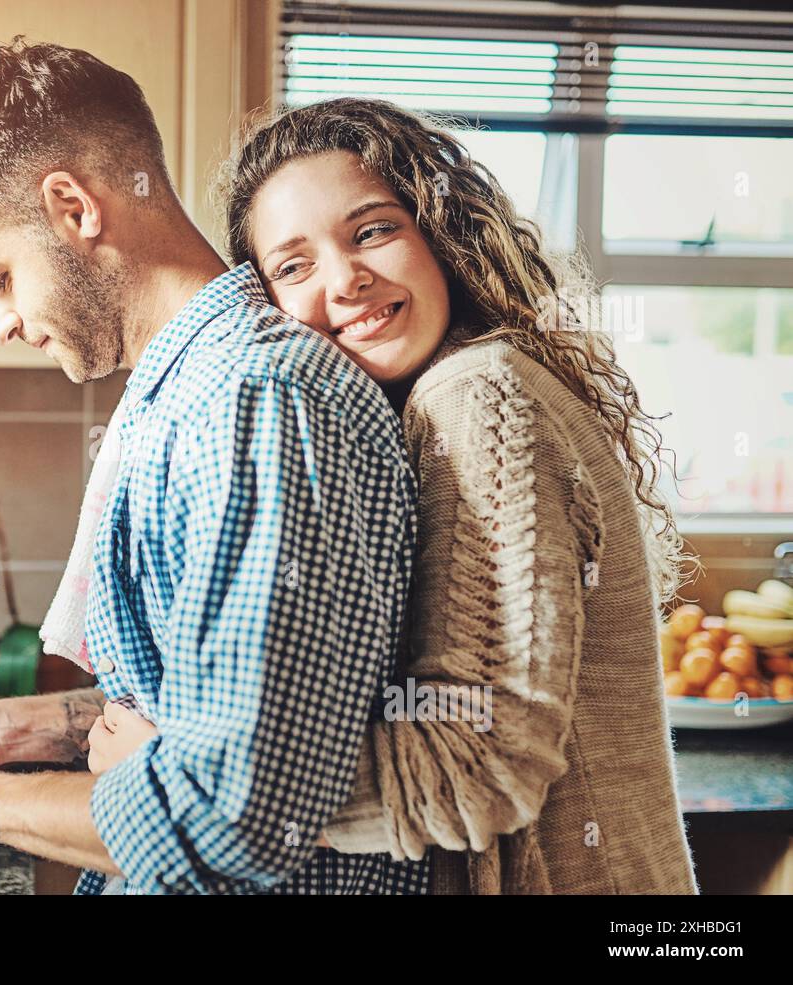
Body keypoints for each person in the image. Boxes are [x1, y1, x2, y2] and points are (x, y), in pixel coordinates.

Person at [88, 97, 700, 894]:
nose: (346, 280)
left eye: (372, 230)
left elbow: (479, 763)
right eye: (293, 265)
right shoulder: (439, 398)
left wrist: (182, 779)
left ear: (439, 235)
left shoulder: (478, 396)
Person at [0, 38, 431, 894]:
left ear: (72, 207)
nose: (2, 322)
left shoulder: (258, 406)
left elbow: (235, 815)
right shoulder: (185, 398)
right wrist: (2, 728)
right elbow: (197, 705)